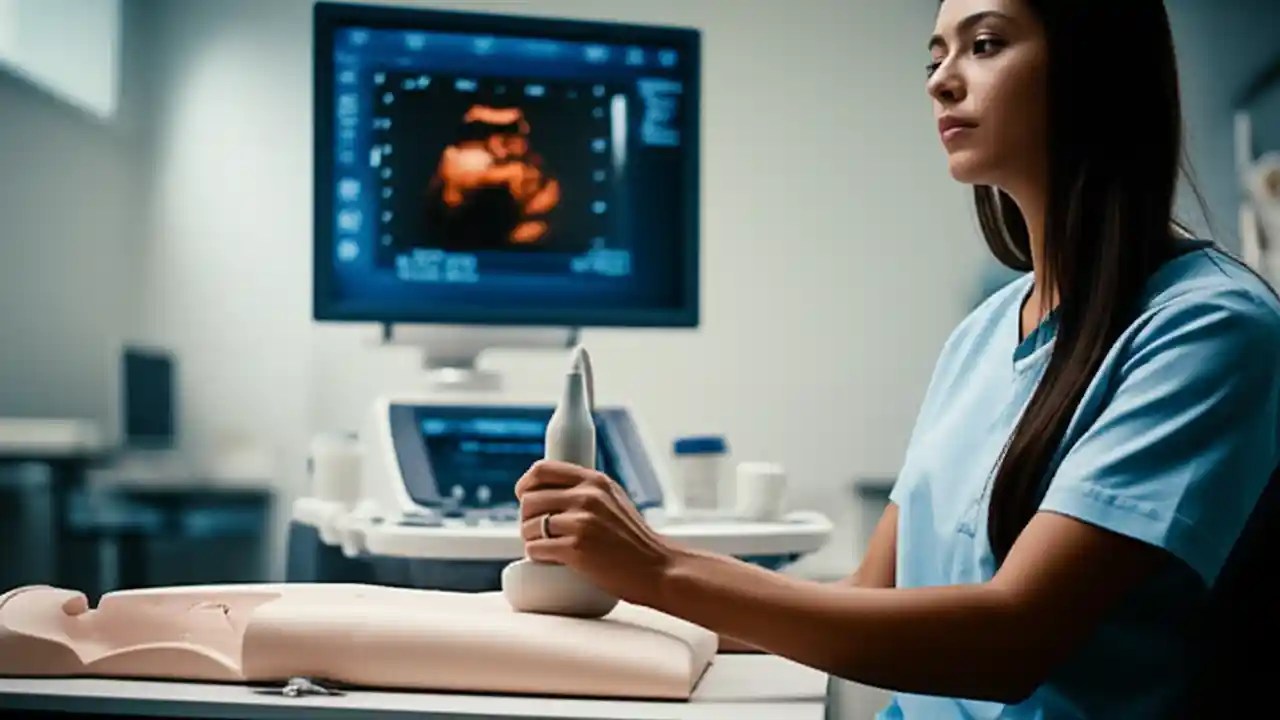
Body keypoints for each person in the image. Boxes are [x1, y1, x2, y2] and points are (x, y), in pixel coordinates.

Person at [512, 0, 1280, 717]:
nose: (942, 80)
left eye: (984, 45)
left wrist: (659, 566)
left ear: (1096, 67)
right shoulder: (983, 335)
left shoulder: (1209, 328)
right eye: (935, 57)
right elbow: (865, 592)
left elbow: (1009, 640)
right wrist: (613, 589)